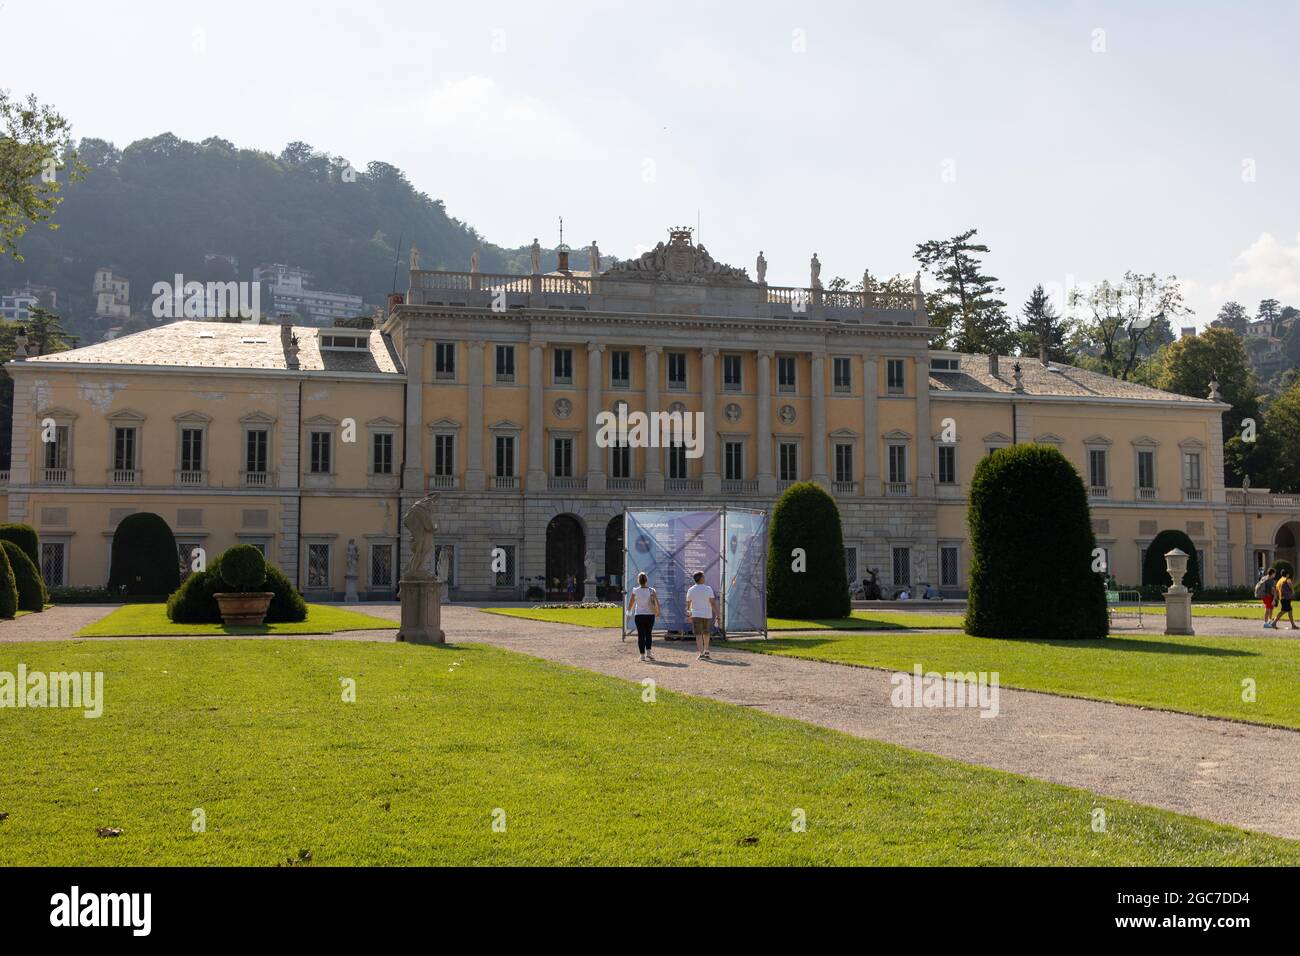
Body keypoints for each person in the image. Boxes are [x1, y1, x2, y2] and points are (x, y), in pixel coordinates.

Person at [626, 572, 661, 662]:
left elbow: (631, 603)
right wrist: (658, 612)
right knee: (648, 634)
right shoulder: (652, 590)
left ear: (638, 581)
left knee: (641, 635)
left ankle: (642, 655)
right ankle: (649, 653)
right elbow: (656, 602)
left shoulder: (635, 590)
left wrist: (628, 614)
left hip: (639, 615)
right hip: (650, 615)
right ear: (646, 580)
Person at [685, 571, 719, 661]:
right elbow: (713, 603)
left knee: (698, 635)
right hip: (707, 615)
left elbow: (688, 605)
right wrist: (717, 614)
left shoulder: (691, 590)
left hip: (696, 615)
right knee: (706, 633)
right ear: (700, 578)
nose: (704, 578)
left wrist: (688, 615)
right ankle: (706, 651)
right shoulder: (708, 589)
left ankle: (701, 653)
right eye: (703, 577)